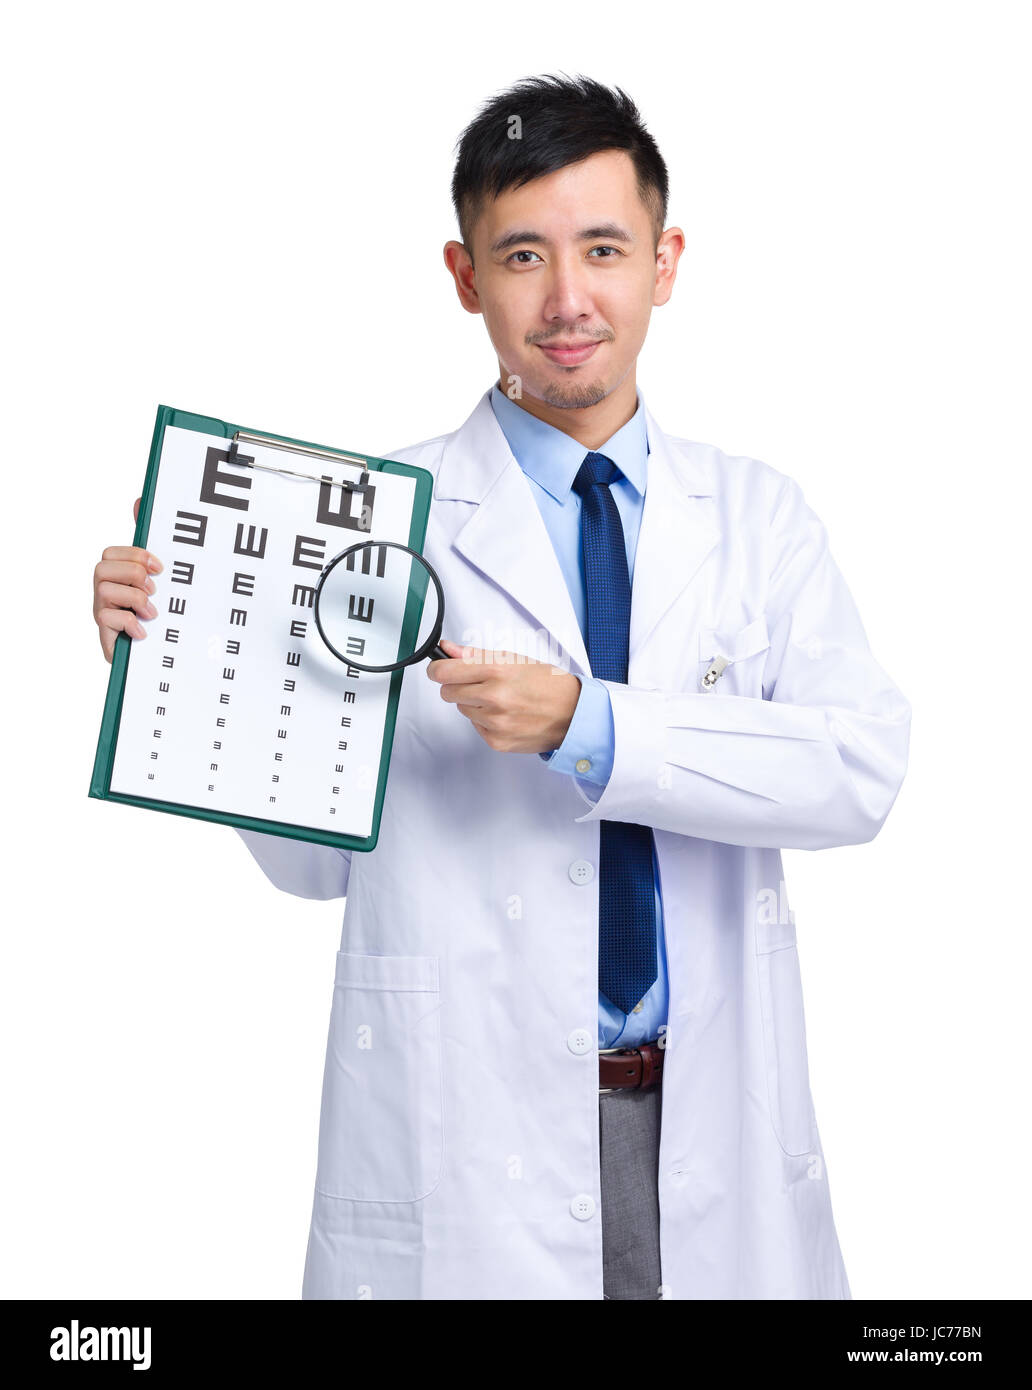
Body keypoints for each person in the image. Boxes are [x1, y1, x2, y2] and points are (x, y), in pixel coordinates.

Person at [91, 74, 911, 1300]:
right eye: (522, 255)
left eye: (604, 249)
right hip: (467, 1153)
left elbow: (856, 770)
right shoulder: (367, 527)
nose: (568, 300)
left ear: (665, 261)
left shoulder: (757, 518)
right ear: (465, 275)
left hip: (708, 1132)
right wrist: (192, 660)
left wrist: (594, 727)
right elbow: (309, 866)